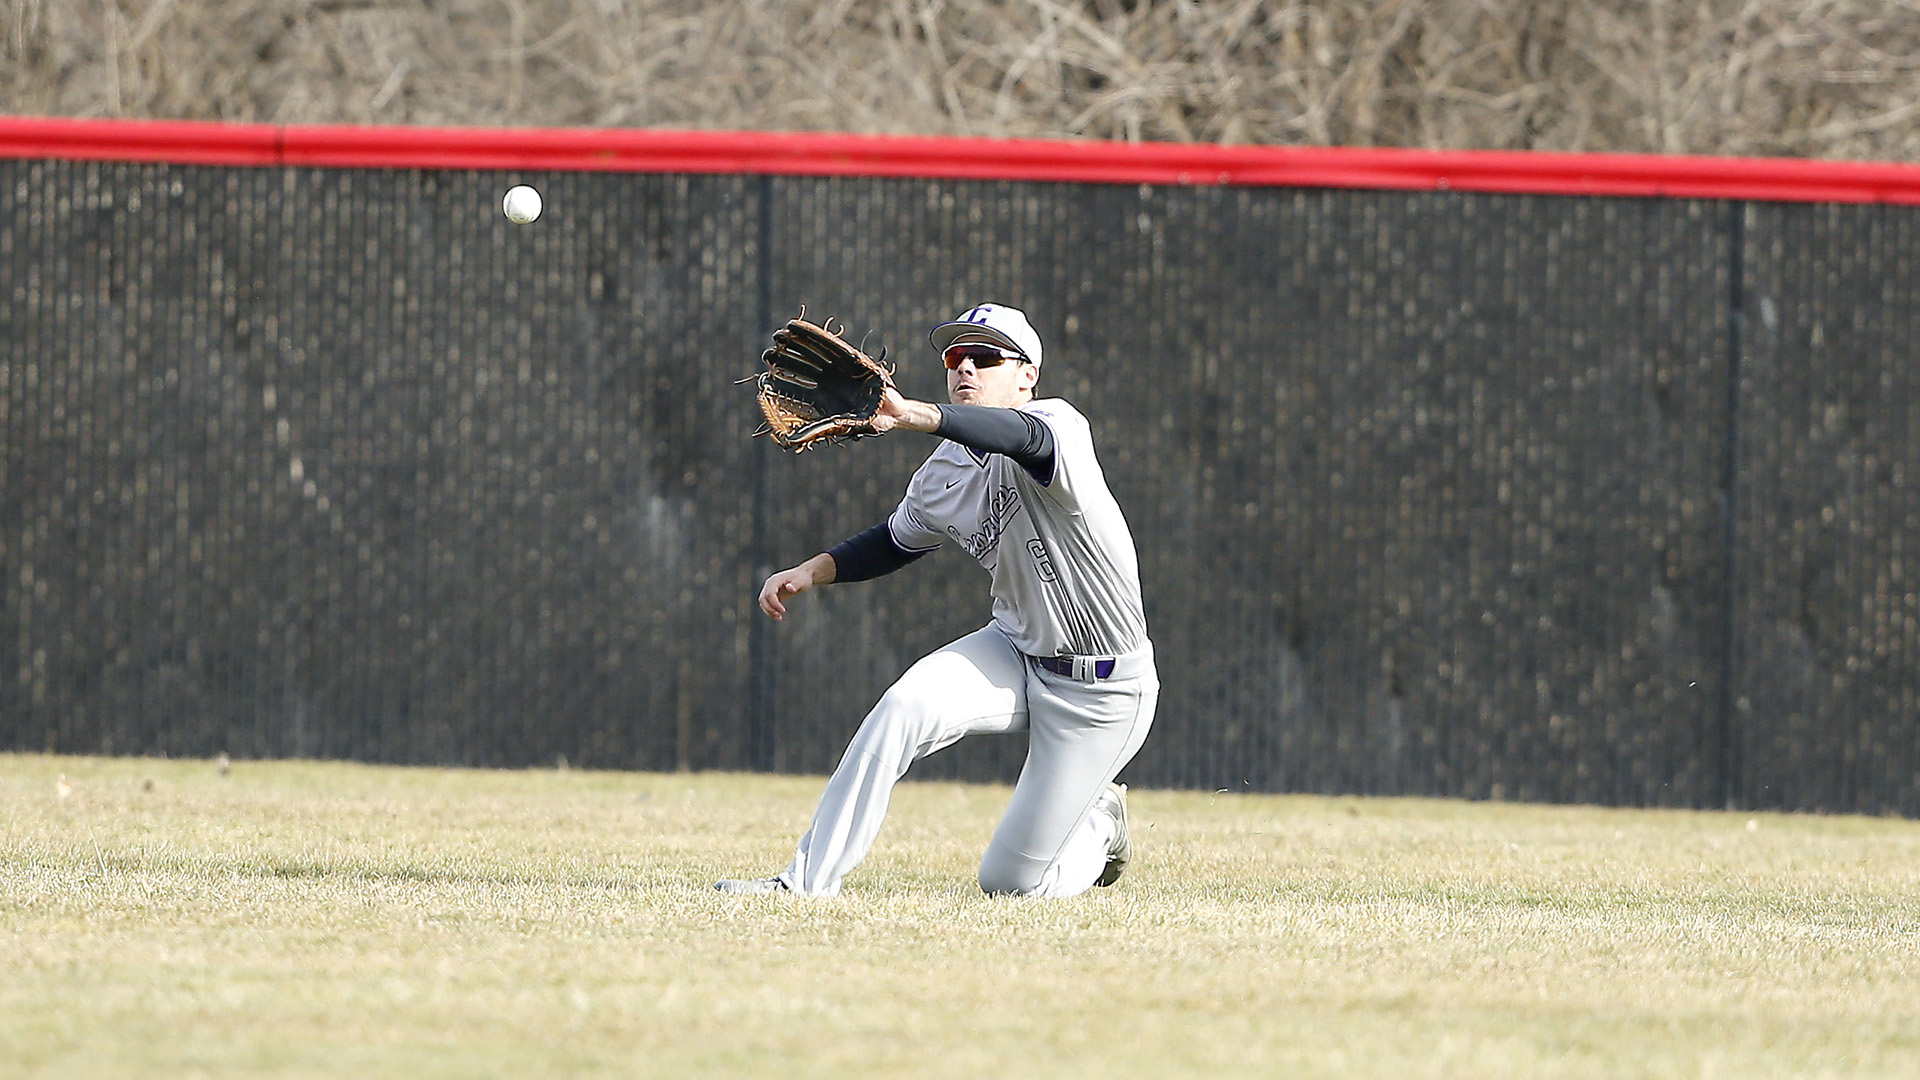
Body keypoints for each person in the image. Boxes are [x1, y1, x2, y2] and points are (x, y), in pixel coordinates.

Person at [717, 303, 1157, 898]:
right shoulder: (943, 471)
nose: (965, 368)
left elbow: (1019, 436)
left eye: (986, 357)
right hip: (1016, 648)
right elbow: (895, 540)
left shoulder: (1058, 428)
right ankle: (806, 883)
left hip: (1102, 690)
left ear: (1027, 374)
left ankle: (1100, 825)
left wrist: (910, 414)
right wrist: (811, 572)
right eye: (955, 357)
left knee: (1011, 885)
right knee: (901, 708)